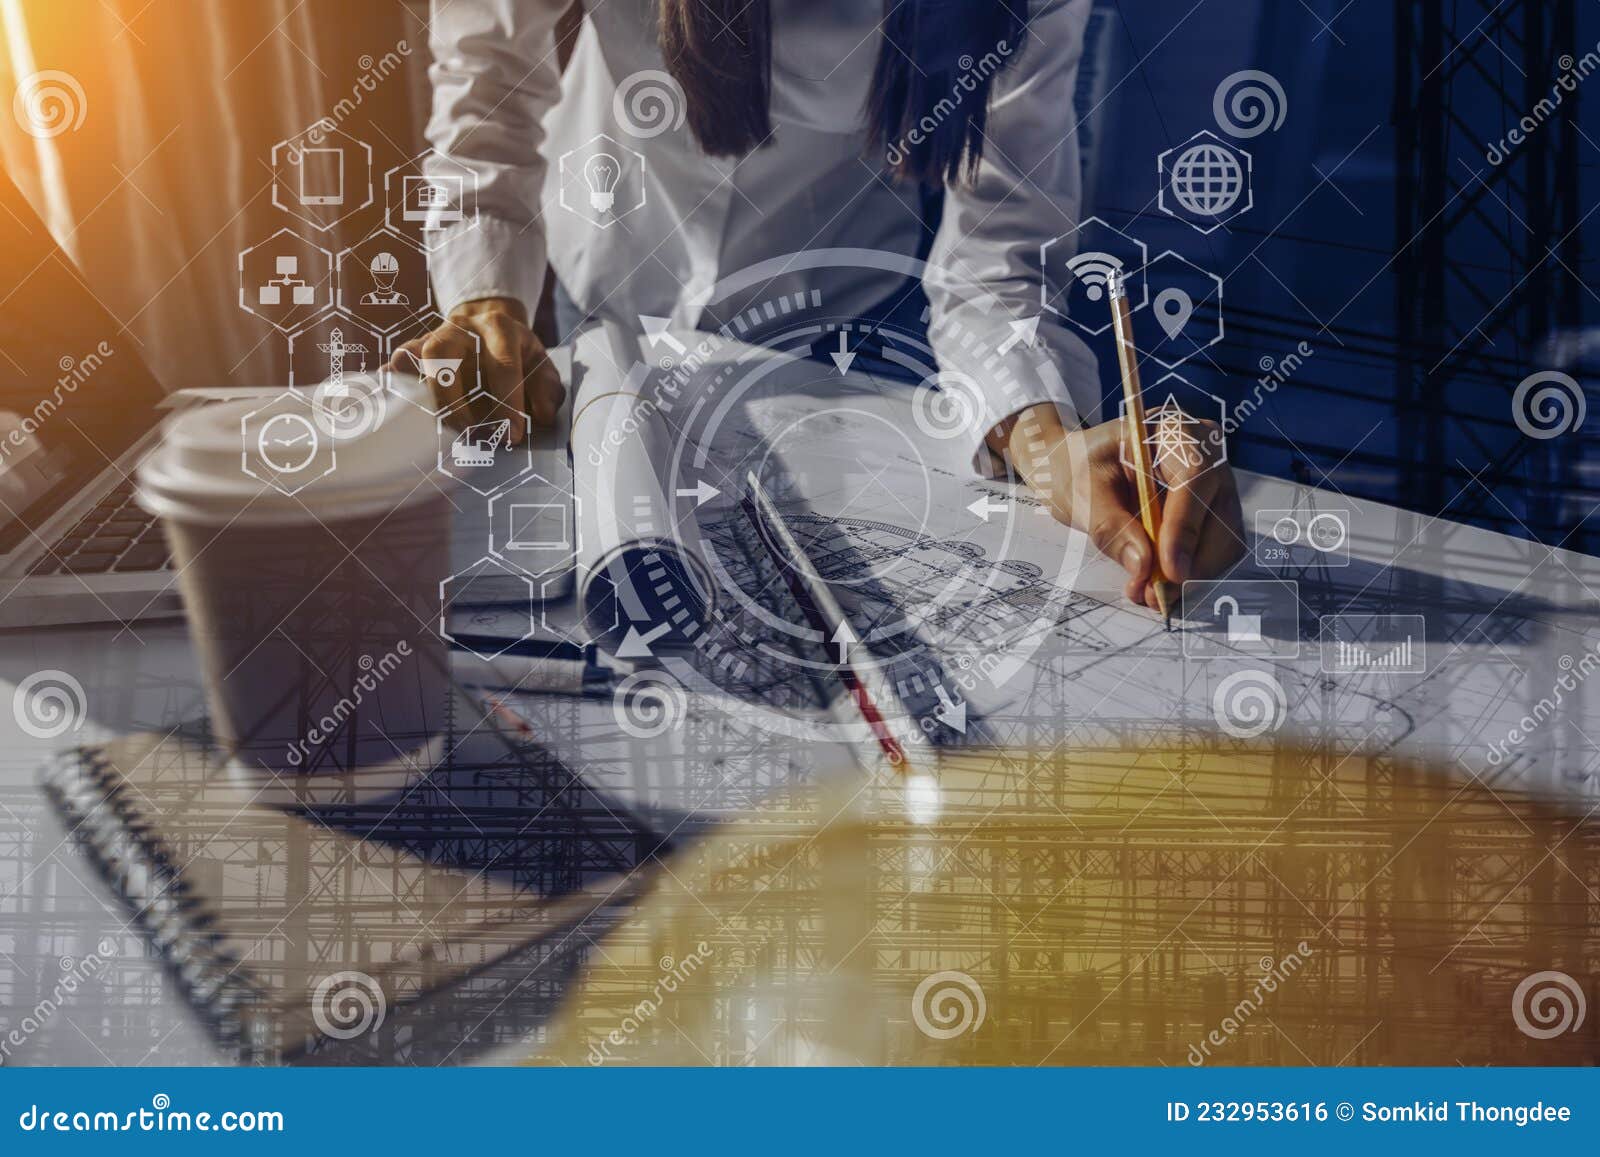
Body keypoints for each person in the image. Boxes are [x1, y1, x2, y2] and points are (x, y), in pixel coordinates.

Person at [392, 0, 1243, 611]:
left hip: (837, 329)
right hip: (610, 270)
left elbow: (997, 255)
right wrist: (486, 299)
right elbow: (487, 83)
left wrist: (1045, 438)